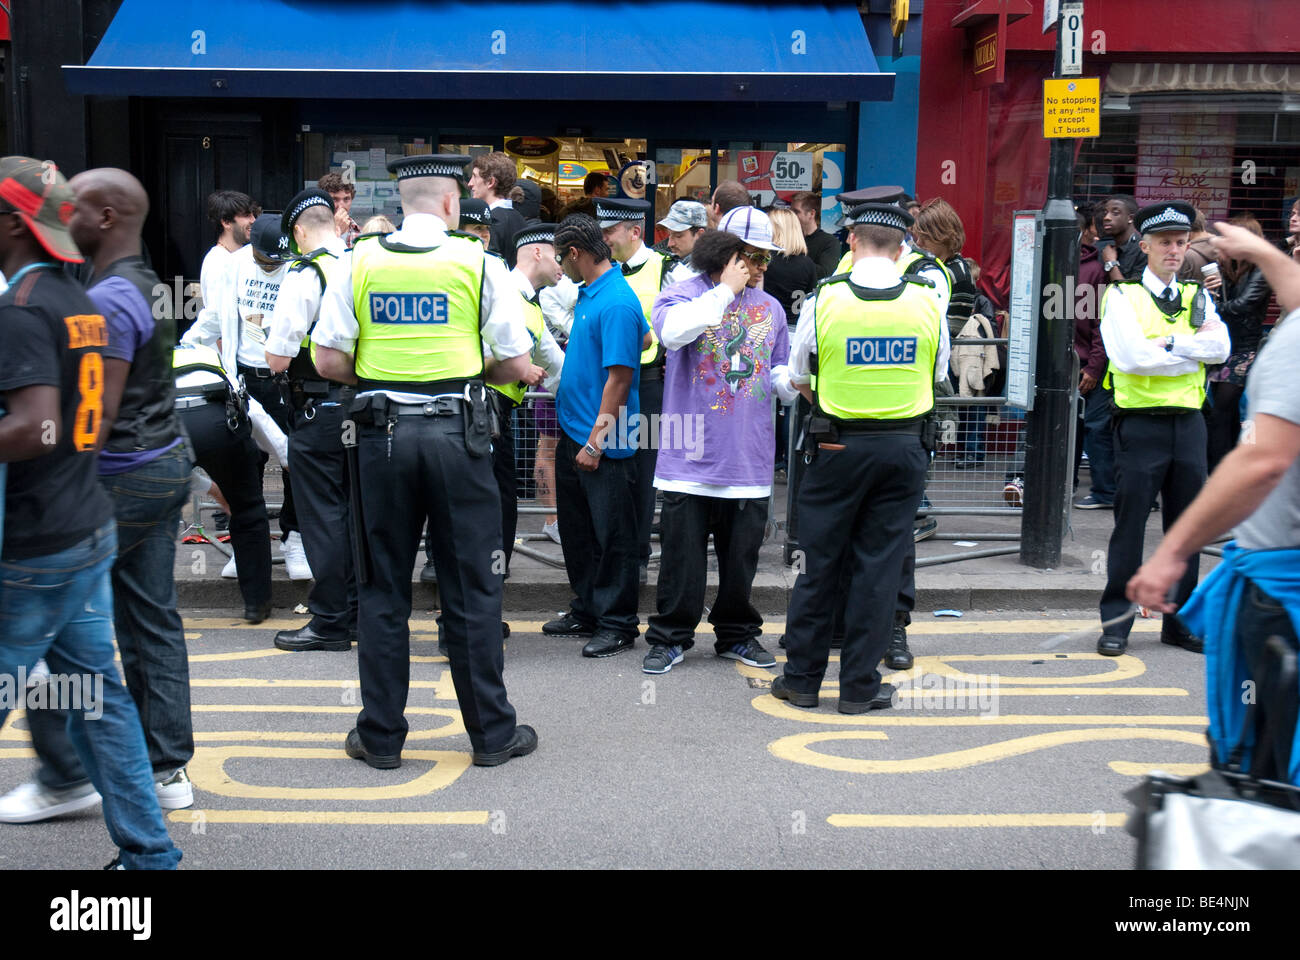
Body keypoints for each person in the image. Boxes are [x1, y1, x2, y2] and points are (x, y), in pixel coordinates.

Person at [310, 153, 538, 768]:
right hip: (459, 440)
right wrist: (457, 372)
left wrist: (386, 379)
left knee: (382, 588)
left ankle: (381, 739)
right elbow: (517, 367)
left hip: (380, 439)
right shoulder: (480, 263)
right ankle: (492, 737)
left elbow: (327, 362)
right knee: (470, 588)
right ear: (450, 203)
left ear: (399, 204)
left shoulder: (356, 263)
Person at [0, 156, 181, 867]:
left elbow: (39, 426)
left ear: (15, 224)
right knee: (99, 699)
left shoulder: (23, 309)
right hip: (84, 529)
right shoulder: (76, 298)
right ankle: (150, 858)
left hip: (38, 543)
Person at [1128, 219, 1300, 783]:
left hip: (1282, 585)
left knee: (1266, 763)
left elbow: (1261, 461)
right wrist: (1264, 255)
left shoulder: (1295, 342)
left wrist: (1173, 550)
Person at [772, 203, 944, 713]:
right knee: (879, 568)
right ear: (901, 248)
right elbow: (936, 376)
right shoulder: (927, 300)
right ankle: (860, 689)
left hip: (835, 445)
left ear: (852, 242)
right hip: (904, 449)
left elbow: (799, 375)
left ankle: (802, 680)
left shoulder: (825, 299)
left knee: (818, 563)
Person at [642, 227, 797, 674]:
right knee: (681, 559)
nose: (765, 267)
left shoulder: (770, 308)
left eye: (768, 258)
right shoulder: (681, 293)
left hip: (746, 456)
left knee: (741, 560)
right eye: (757, 258)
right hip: (688, 453)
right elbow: (672, 335)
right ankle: (670, 637)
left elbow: (778, 373)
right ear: (730, 255)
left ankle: (736, 635)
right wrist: (725, 292)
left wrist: (796, 381)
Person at [1096, 201, 1231, 657]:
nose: (1174, 250)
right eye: (1165, 243)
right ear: (1146, 246)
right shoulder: (1121, 297)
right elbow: (1132, 358)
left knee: (1186, 528)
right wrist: (1191, 353)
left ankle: (1179, 623)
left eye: (1180, 242)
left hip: (1190, 424)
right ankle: (1116, 623)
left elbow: (1220, 349)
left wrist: (1171, 343)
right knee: (1129, 527)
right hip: (1139, 426)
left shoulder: (1201, 296)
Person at [541, 214, 650, 657]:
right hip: (577, 432)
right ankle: (588, 608)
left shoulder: (616, 301)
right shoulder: (594, 294)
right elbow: (642, 340)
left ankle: (618, 622)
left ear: (574, 253)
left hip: (601, 443)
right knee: (580, 533)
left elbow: (620, 381)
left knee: (613, 537)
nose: (557, 267)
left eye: (559, 257)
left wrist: (595, 442)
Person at [182, 212, 310, 579]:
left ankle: (295, 539)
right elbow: (216, 315)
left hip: (286, 379)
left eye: (276, 261)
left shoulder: (298, 267)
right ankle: (247, 542)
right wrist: (189, 346)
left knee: (294, 462)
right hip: (243, 378)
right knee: (244, 464)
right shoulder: (234, 265)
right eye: (265, 259)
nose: (271, 266)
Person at [264, 188, 358, 652]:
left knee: (323, 518)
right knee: (356, 514)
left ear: (300, 232)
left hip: (317, 411)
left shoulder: (306, 274)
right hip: (362, 408)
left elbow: (279, 357)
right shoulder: (362, 264)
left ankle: (331, 620)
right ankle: (358, 611)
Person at [597, 196, 674, 584]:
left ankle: (638, 555)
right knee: (608, 468)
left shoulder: (667, 269)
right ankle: (612, 553)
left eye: (610, 232)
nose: (604, 239)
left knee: (642, 474)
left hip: (649, 385)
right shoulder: (602, 269)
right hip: (609, 380)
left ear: (634, 231)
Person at [172, 342, 274, 623]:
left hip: (169, 422)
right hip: (218, 422)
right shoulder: (218, 361)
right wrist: (290, 458)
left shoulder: (152, 363)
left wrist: (208, 489)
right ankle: (257, 604)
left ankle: (155, 606)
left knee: (157, 515)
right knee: (248, 510)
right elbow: (255, 415)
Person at [490, 222, 565, 579]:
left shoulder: (531, 305)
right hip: (479, 412)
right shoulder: (499, 290)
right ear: (538, 251)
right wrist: (519, 368)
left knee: (502, 506)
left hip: (499, 415)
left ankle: (491, 585)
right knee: (491, 506)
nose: (563, 264)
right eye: (558, 254)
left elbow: (557, 367)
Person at [1205, 214, 1272, 472]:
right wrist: (1213, 290)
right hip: (1224, 346)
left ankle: (1218, 470)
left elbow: (1244, 306)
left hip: (1245, 348)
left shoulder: (1261, 270)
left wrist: (1217, 306)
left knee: (1223, 411)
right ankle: (1226, 465)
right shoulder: (1227, 268)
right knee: (1226, 412)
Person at [1074, 204, 1115, 509]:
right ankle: (1064, 483)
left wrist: (1094, 366)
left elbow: (1101, 322)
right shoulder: (1050, 264)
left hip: (1089, 363)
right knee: (1068, 427)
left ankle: (1105, 490)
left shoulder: (1094, 270)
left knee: (1095, 426)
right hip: (1061, 363)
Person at [469, 151, 526, 265]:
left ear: (491, 182)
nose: (470, 183)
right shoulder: (518, 217)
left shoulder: (491, 220)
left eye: (475, 177)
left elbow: (487, 267)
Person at [789, 190, 842, 280]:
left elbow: (825, 273)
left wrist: (794, 258)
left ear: (812, 214)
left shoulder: (829, 242)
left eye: (796, 212)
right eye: (790, 212)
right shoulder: (788, 237)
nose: (791, 216)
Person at [659, 199, 707, 285]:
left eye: (678, 236)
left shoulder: (710, 271)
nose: (670, 244)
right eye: (669, 235)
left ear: (700, 235)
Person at [1097, 195, 1144, 282]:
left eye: (1115, 213)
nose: (1106, 218)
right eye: (1105, 213)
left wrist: (1111, 263)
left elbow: (1129, 294)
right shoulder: (1103, 248)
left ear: (1130, 218)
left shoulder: (1143, 250)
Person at [317, 171, 361, 247]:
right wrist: (335, 231)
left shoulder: (361, 233)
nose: (341, 206)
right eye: (334, 199)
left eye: (346, 199)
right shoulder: (312, 231)